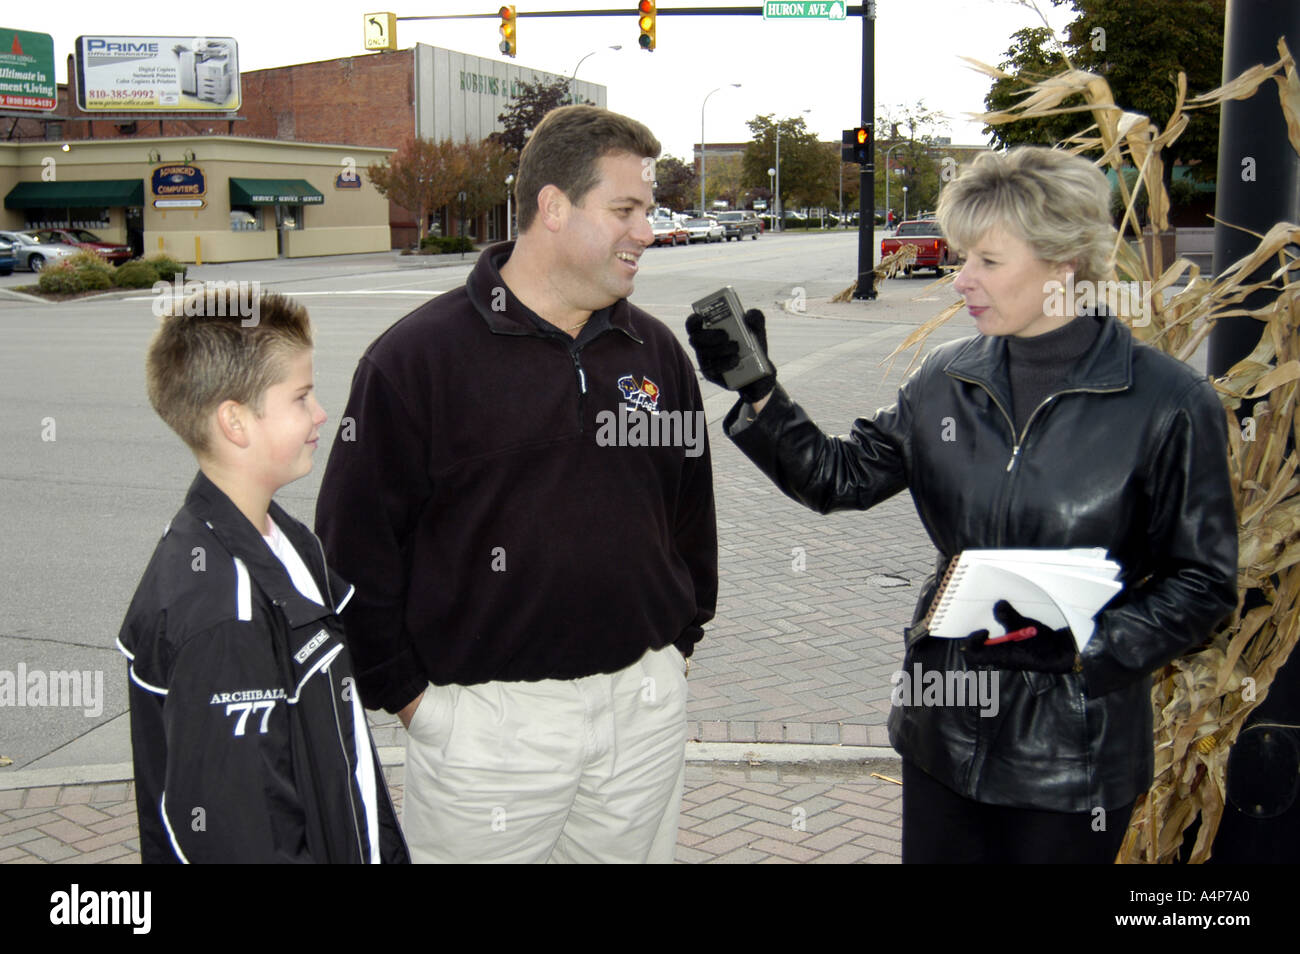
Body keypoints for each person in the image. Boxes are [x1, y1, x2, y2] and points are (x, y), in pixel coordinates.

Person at [687, 146, 1238, 863]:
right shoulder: (946, 378)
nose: (961, 280)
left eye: (987, 260)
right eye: (961, 257)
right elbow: (837, 477)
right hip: (940, 730)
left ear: (1063, 263)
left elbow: (1203, 584)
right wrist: (758, 390)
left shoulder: (1166, 402)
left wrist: (1081, 644)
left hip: (1070, 757)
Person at [315, 105, 717, 864]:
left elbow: (690, 517)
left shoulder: (656, 354)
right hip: (487, 735)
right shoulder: (415, 363)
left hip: (642, 712)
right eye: (626, 210)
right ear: (554, 207)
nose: (648, 232)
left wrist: (679, 643)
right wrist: (414, 703)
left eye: (650, 211)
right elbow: (353, 550)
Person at [118, 287, 409, 863]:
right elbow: (243, 836)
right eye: (301, 396)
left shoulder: (287, 542)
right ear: (235, 421)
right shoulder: (224, 612)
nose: (321, 412)